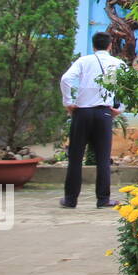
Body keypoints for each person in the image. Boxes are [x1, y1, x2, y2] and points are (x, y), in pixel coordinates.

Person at [58, 32, 124, 209]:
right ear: (110, 45)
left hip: (82, 113)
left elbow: (66, 79)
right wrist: (120, 108)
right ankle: (103, 199)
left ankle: (70, 199)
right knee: (103, 159)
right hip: (104, 114)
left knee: (75, 157)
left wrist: (68, 102)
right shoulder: (117, 64)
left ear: (93, 46)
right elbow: (127, 87)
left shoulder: (83, 61)